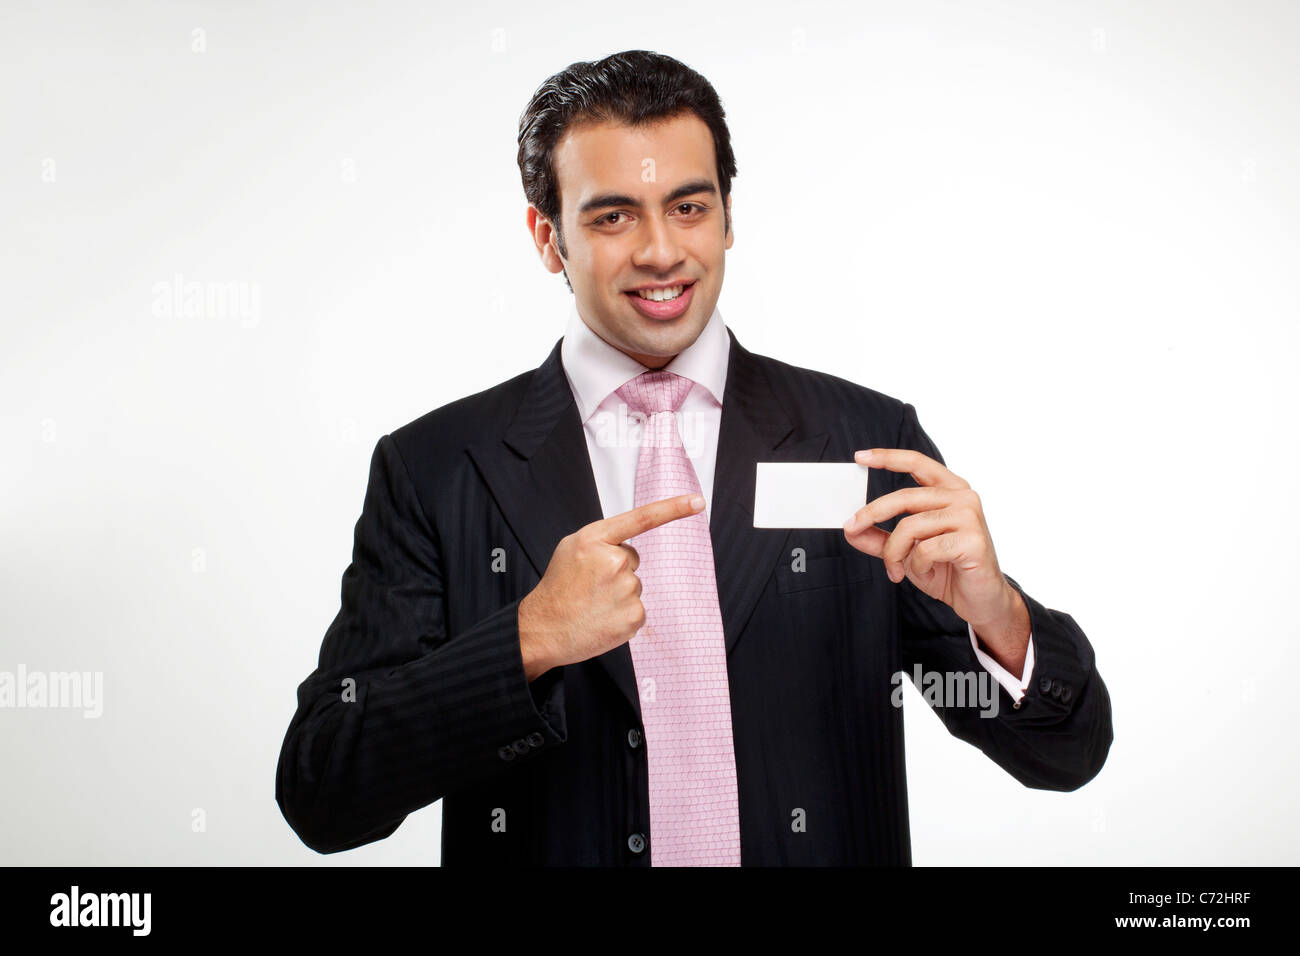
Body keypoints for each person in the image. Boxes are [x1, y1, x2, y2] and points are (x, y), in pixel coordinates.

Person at [275, 49, 1112, 866]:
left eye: (688, 207)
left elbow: (1065, 757)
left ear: (728, 216)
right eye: (612, 216)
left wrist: (997, 616)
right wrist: (525, 639)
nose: (661, 252)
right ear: (547, 236)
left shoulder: (862, 438)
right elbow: (323, 790)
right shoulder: (437, 468)